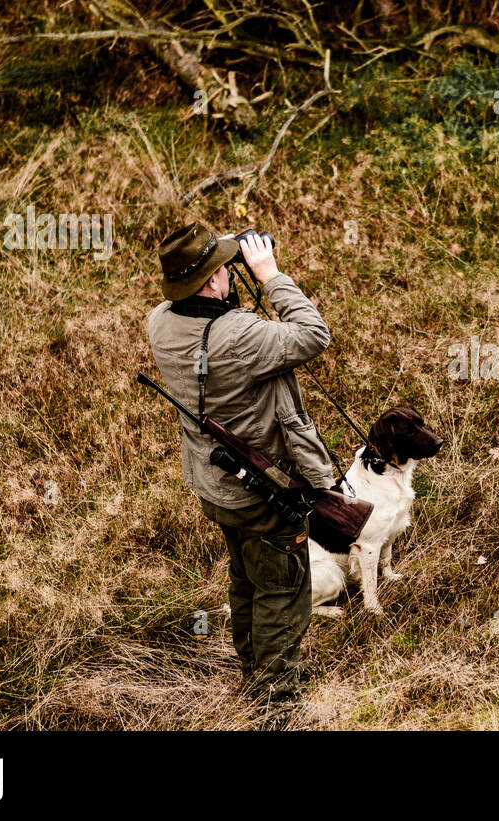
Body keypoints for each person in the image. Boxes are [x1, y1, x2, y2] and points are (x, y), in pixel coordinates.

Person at [146, 222, 336, 710]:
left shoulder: (159, 322)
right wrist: (270, 274)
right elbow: (314, 334)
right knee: (281, 589)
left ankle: (254, 669)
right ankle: (277, 700)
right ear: (211, 282)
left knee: (245, 578)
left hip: (215, 487)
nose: (231, 273)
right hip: (264, 492)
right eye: (223, 268)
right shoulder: (242, 337)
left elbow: (201, 306)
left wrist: (213, 254)